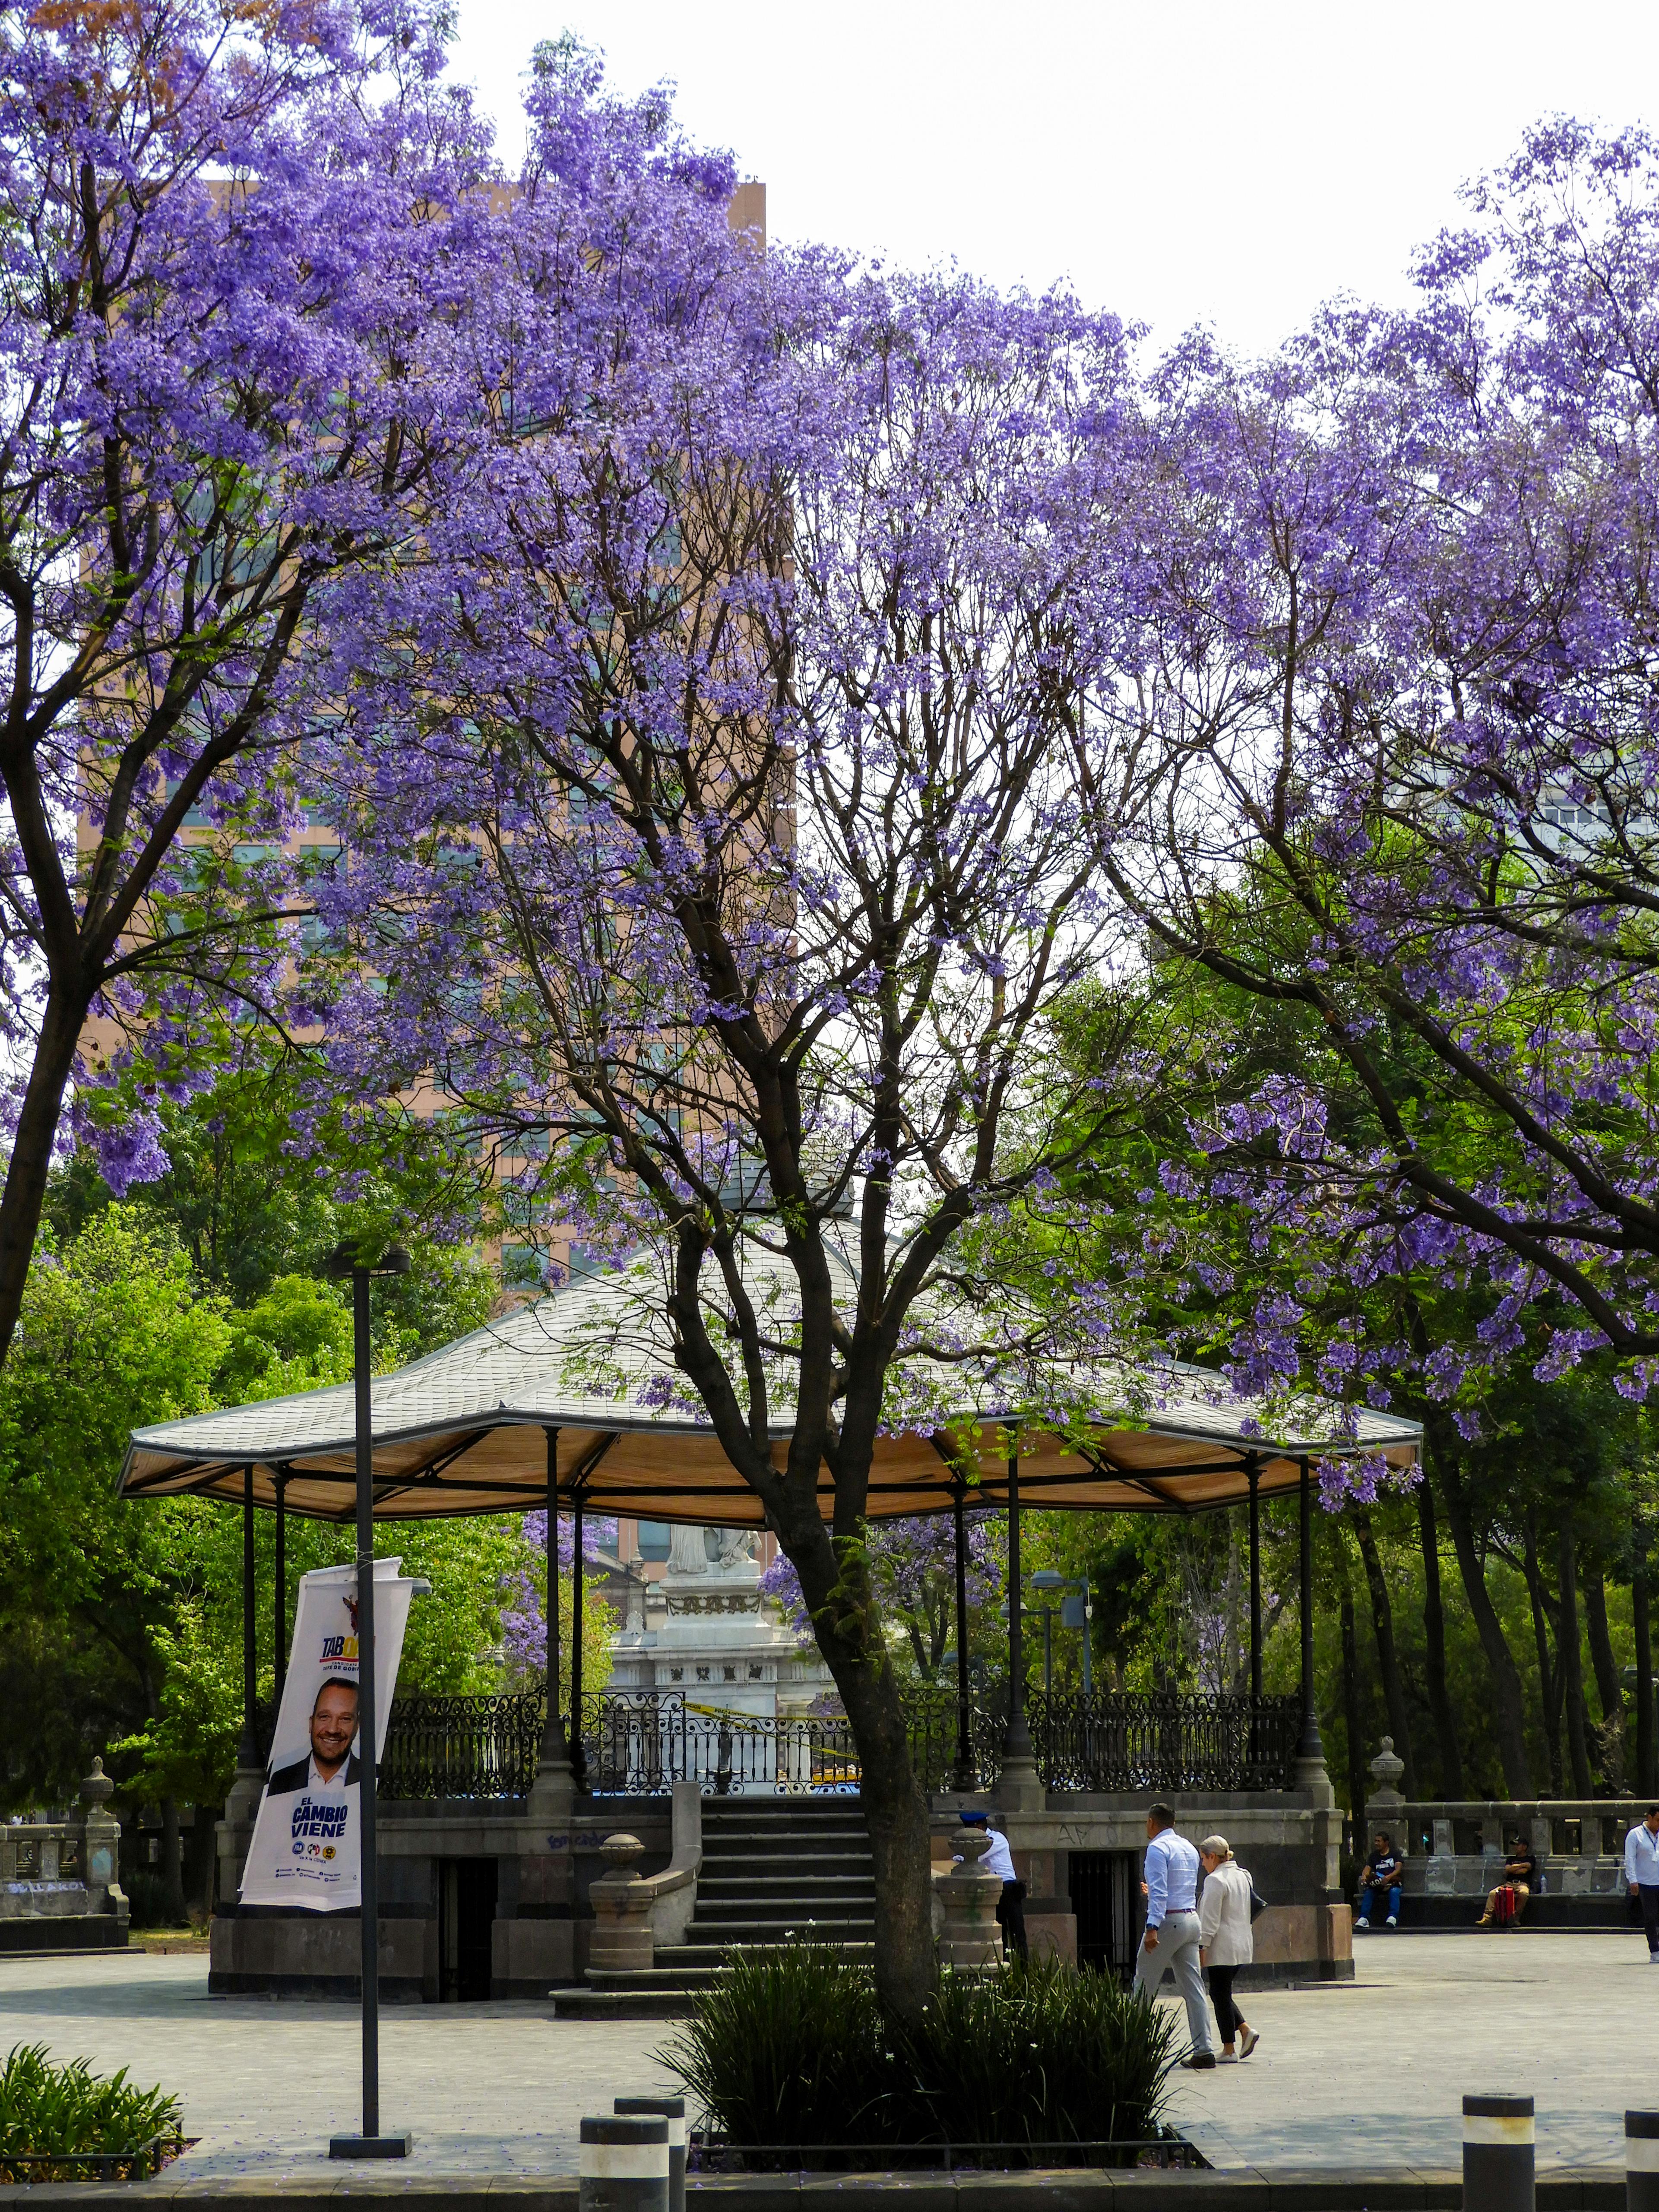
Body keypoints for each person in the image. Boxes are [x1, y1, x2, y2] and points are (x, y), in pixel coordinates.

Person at [1132, 1803, 1214, 2069]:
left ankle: (1133, 2046)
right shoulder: (1189, 1847)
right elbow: (1178, 1887)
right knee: (1194, 1989)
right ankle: (1204, 2050)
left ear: (1152, 1823)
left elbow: (1160, 1893)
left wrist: (1152, 1927)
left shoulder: (1157, 1848)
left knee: (1143, 1985)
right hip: (1191, 1919)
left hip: (1168, 1922)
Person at [1197, 1835, 1260, 2062]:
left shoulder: (1215, 1880)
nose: (1203, 1864)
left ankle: (1229, 2049)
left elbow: (1210, 1919)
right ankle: (1244, 2031)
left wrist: (1202, 1946)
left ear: (1212, 1856)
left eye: (1203, 1858)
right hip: (1243, 1944)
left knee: (1220, 1994)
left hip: (1221, 1947)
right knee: (1220, 1993)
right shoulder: (1244, 1875)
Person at [266, 1678, 362, 1794]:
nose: (332, 1730)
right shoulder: (281, 1781)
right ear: (311, 1723)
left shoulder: (373, 1780)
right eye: (324, 1717)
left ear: (357, 1726)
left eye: (345, 1719)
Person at [956, 1811, 1027, 1959]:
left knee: (1017, 1933)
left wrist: (959, 1857)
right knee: (999, 1935)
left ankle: (1023, 1970)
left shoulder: (996, 1839)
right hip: (992, 1890)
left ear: (980, 1827)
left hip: (1008, 1889)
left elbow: (973, 1857)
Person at [1478, 1835, 1538, 1929]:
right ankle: (1487, 1918)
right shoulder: (1510, 1859)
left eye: (1518, 1845)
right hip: (1509, 1884)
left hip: (1522, 1884)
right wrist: (1521, 1866)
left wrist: (1514, 1868)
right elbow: (1508, 1869)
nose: (1515, 1847)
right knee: (1493, 1893)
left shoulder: (1531, 1859)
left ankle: (1515, 1918)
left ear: (1524, 1847)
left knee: (1524, 1893)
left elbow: (1526, 1870)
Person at [1625, 1805, 1659, 1962]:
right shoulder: (1635, 1835)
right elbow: (1630, 1859)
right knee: (1651, 1917)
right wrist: (1633, 1880)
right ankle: (1655, 1950)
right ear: (1650, 1818)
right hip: (1645, 1883)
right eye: (1658, 1820)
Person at [1354, 1832, 1403, 1930]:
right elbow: (1367, 1869)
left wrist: (1388, 1877)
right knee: (1369, 1893)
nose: (1376, 1843)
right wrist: (1364, 1876)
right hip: (1378, 1885)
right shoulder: (1374, 1856)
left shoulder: (1395, 1854)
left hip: (1392, 1883)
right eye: (1375, 1841)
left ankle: (1393, 1917)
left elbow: (1398, 1869)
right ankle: (1364, 1918)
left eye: (1379, 1841)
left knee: (1394, 1892)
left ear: (1386, 1843)